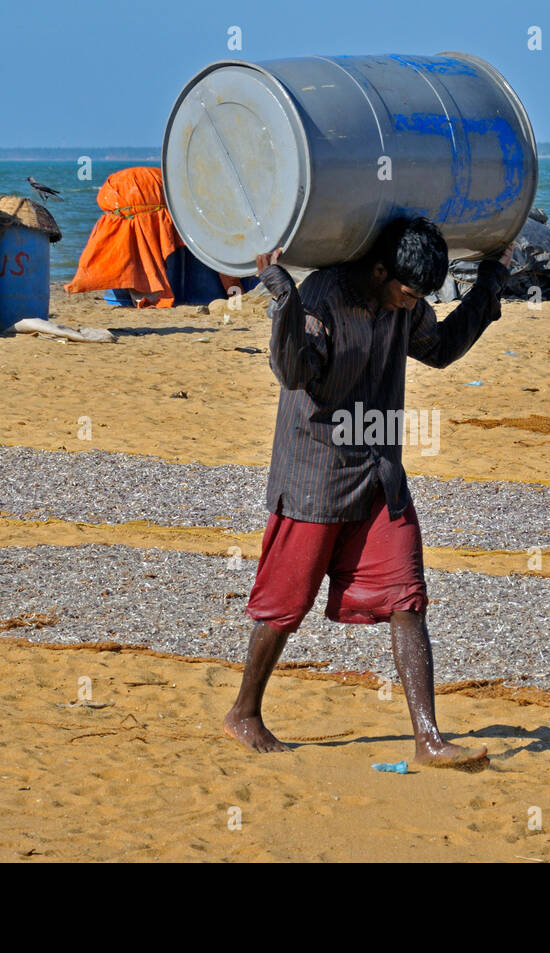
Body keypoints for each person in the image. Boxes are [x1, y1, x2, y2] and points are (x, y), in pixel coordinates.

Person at [223, 217, 513, 767]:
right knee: (285, 605)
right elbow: (293, 372)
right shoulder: (321, 299)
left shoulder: (403, 303)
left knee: (407, 597)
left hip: (380, 472)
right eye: (406, 293)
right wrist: (282, 301)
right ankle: (244, 711)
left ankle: (427, 738)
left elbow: (443, 348)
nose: (411, 305)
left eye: (419, 298)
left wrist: (489, 286)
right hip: (315, 472)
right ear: (379, 270)